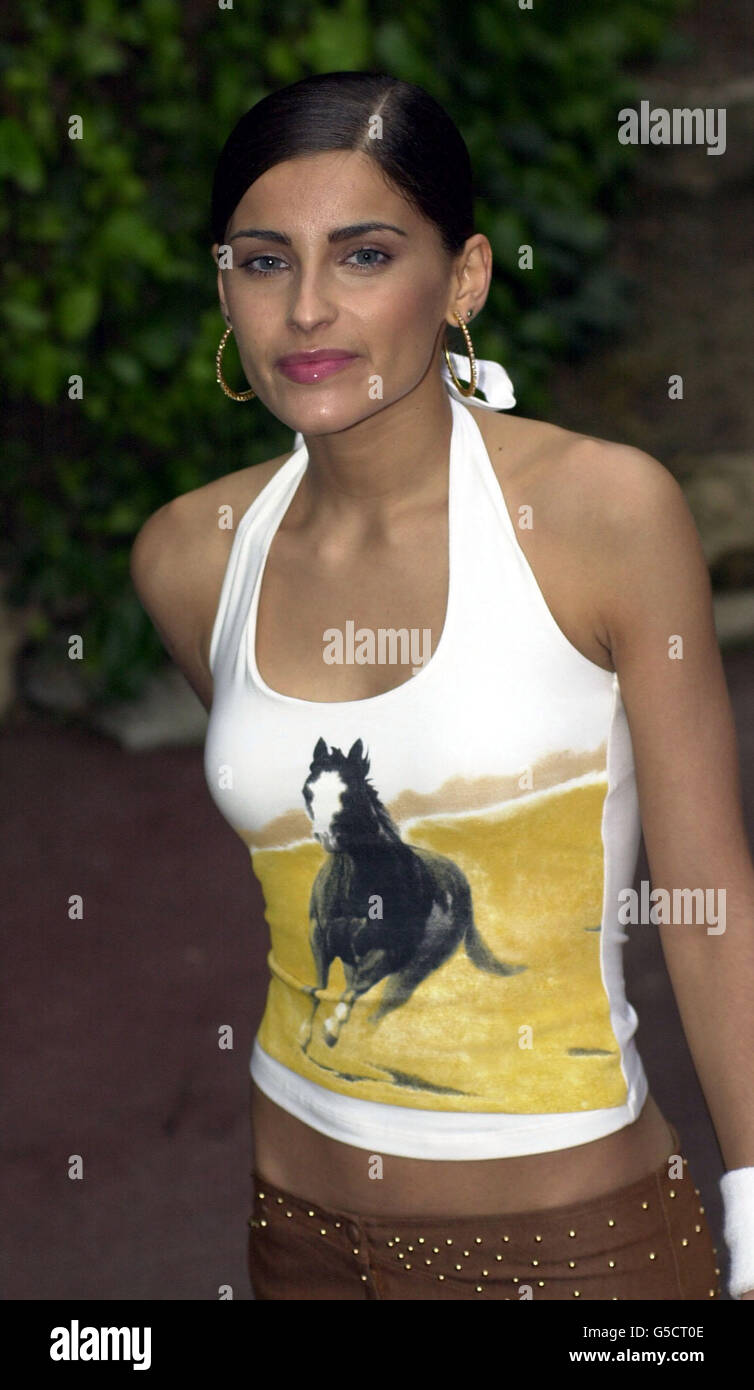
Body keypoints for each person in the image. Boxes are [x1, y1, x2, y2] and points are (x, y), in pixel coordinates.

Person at [130, 71, 754, 1302]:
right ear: (223, 286)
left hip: (574, 1254)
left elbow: (705, 890)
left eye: (363, 255)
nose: (307, 308)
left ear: (462, 277)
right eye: (264, 262)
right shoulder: (189, 557)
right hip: (295, 1236)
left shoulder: (603, 514)